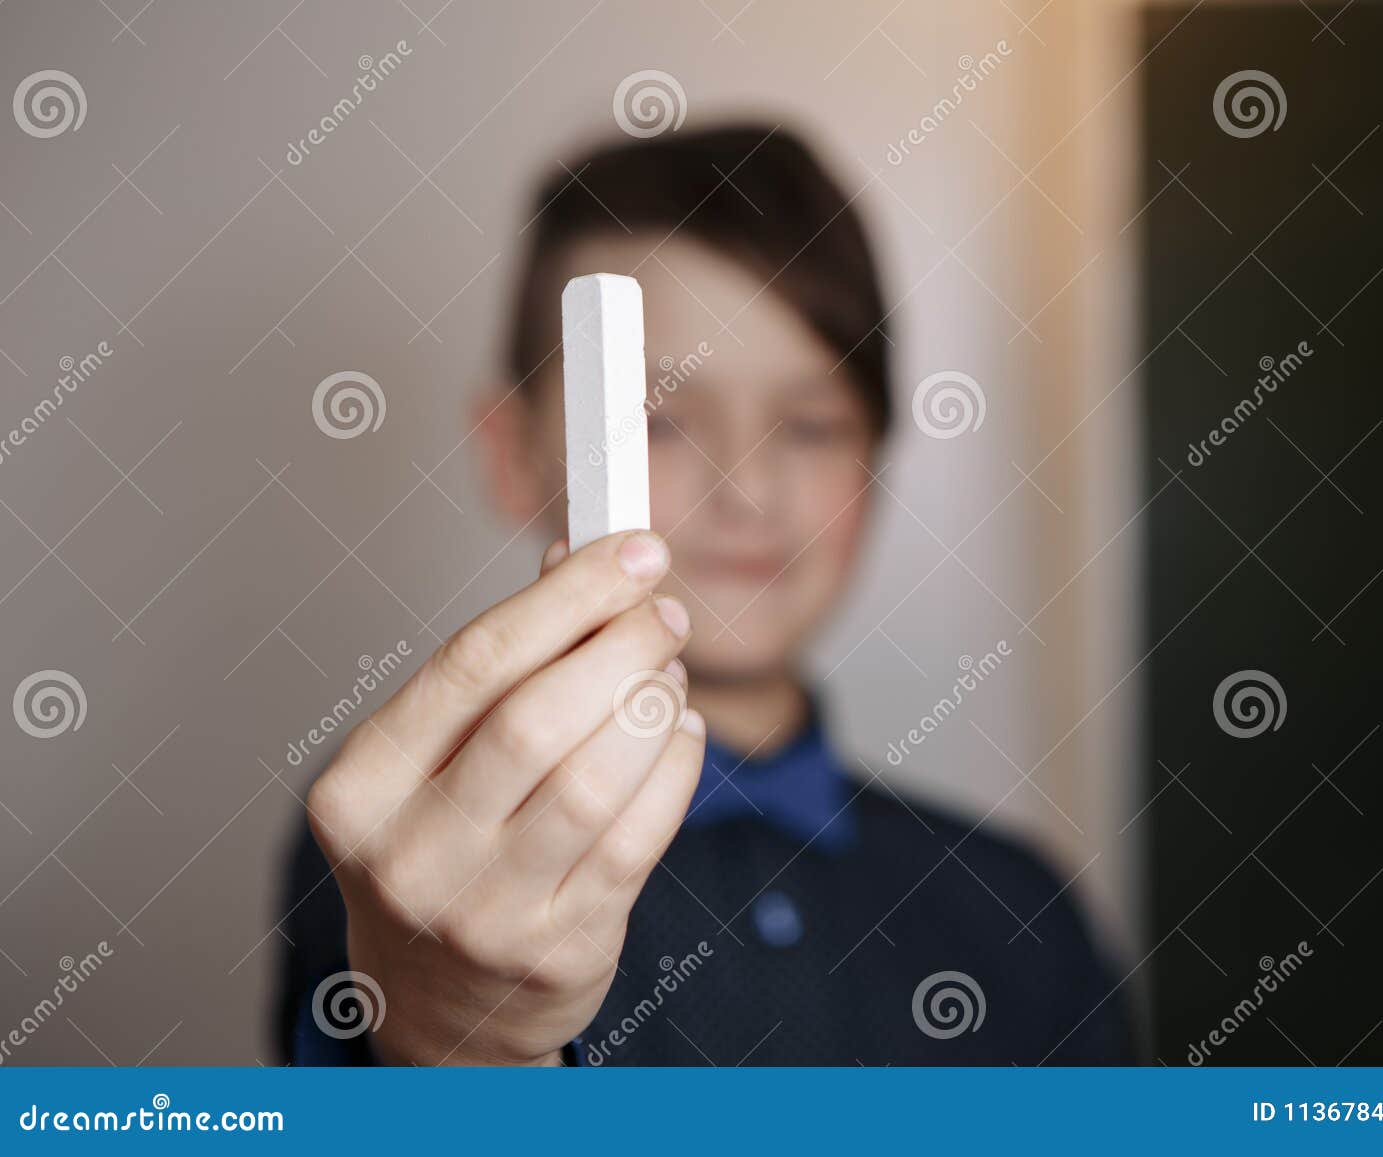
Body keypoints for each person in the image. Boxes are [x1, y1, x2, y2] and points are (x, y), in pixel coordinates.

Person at [276, 123, 1132, 1066]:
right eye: (664, 421)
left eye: (809, 426)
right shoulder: (414, 857)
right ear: (512, 454)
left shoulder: (1018, 910)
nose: (748, 493)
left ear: (876, 463)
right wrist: (454, 1042)